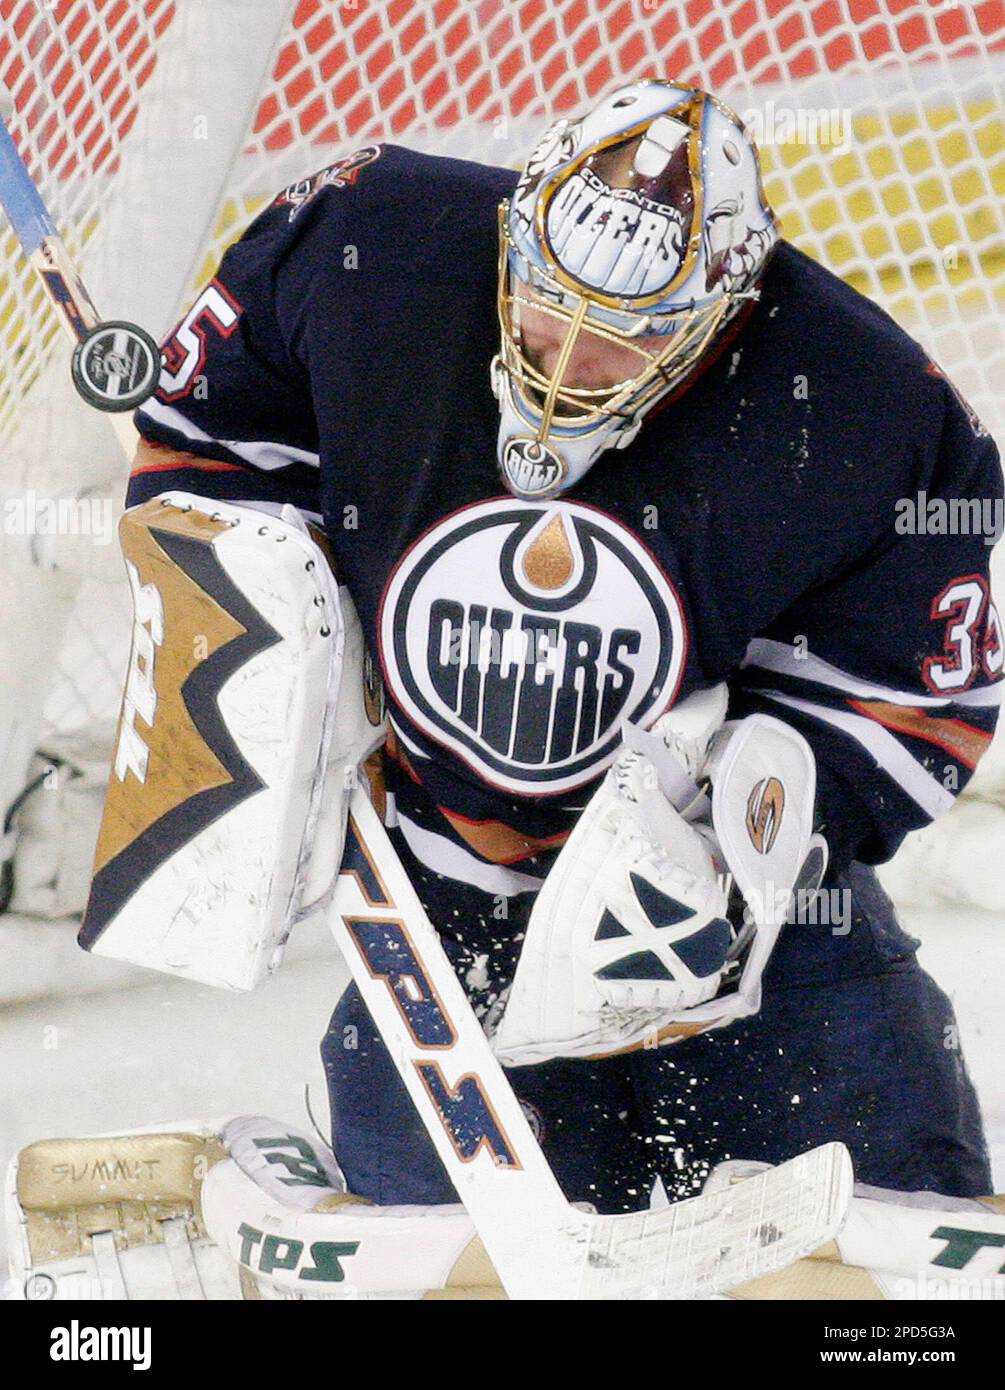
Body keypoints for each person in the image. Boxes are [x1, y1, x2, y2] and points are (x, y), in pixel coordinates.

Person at [126, 80, 1002, 1212]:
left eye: (624, 334)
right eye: (545, 305)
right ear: (517, 230)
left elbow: (917, 698)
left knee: (898, 1270)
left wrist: (742, 831)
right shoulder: (366, 243)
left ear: (725, 307)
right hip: (442, 909)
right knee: (459, 1279)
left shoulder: (865, 403)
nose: (566, 353)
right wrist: (277, 627)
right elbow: (206, 444)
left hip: (756, 951)